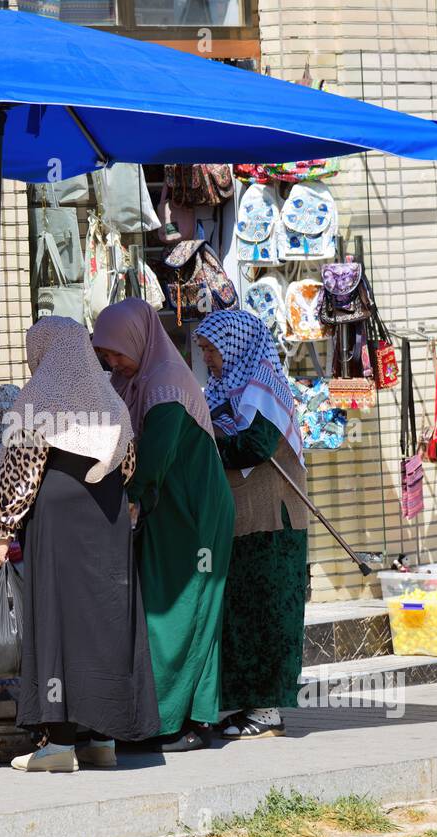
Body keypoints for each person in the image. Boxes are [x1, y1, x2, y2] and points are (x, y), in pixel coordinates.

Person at [0, 314, 158, 772]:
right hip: (106, 515)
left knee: (57, 620)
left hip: (58, 516)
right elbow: (127, 466)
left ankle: (59, 745)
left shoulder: (37, 398)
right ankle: (101, 740)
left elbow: (19, 471)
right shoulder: (110, 400)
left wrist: (3, 529)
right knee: (102, 618)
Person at [92, 298, 233, 752]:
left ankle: (175, 722)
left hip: (193, 514)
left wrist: (123, 499)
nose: (112, 363)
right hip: (167, 509)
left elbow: (152, 461)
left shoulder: (167, 385)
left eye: (117, 352)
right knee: (176, 608)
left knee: (179, 610)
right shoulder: (132, 381)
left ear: (139, 340)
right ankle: (188, 717)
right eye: (106, 355)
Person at [194, 308, 308, 740]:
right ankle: (248, 705)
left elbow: (251, 448)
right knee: (241, 611)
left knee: (268, 612)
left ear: (236, 347)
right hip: (243, 520)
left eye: (212, 349)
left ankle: (268, 709)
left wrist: (205, 446)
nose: (207, 357)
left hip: (273, 523)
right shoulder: (223, 387)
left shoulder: (263, 388)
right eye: (203, 349)